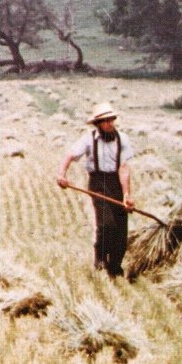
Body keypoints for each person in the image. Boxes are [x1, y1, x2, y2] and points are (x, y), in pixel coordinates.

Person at [57, 102, 135, 277]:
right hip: (98, 184)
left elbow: (123, 168)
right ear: (97, 123)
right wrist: (61, 174)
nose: (110, 123)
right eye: (105, 121)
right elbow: (70, 155)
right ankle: (100, 257)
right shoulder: (88, 139)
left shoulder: (122, 139)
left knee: (121, 231)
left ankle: (115, 267)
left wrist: (126, 194)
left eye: (111, 119)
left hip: (116, 183)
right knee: (107, 224)